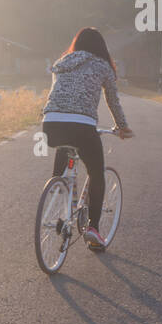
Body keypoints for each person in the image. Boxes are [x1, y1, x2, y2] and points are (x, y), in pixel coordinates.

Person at [41, 27, 134, 248]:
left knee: (64, 147)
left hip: (51, 122)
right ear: (101, 47)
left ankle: (58, 191)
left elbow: (57, 94)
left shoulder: (62, 62)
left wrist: (49, 117)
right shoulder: (102, 66)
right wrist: (122, 127)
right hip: (82, 125)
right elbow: (113, 101)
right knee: (96, 173)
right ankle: (93, 228)